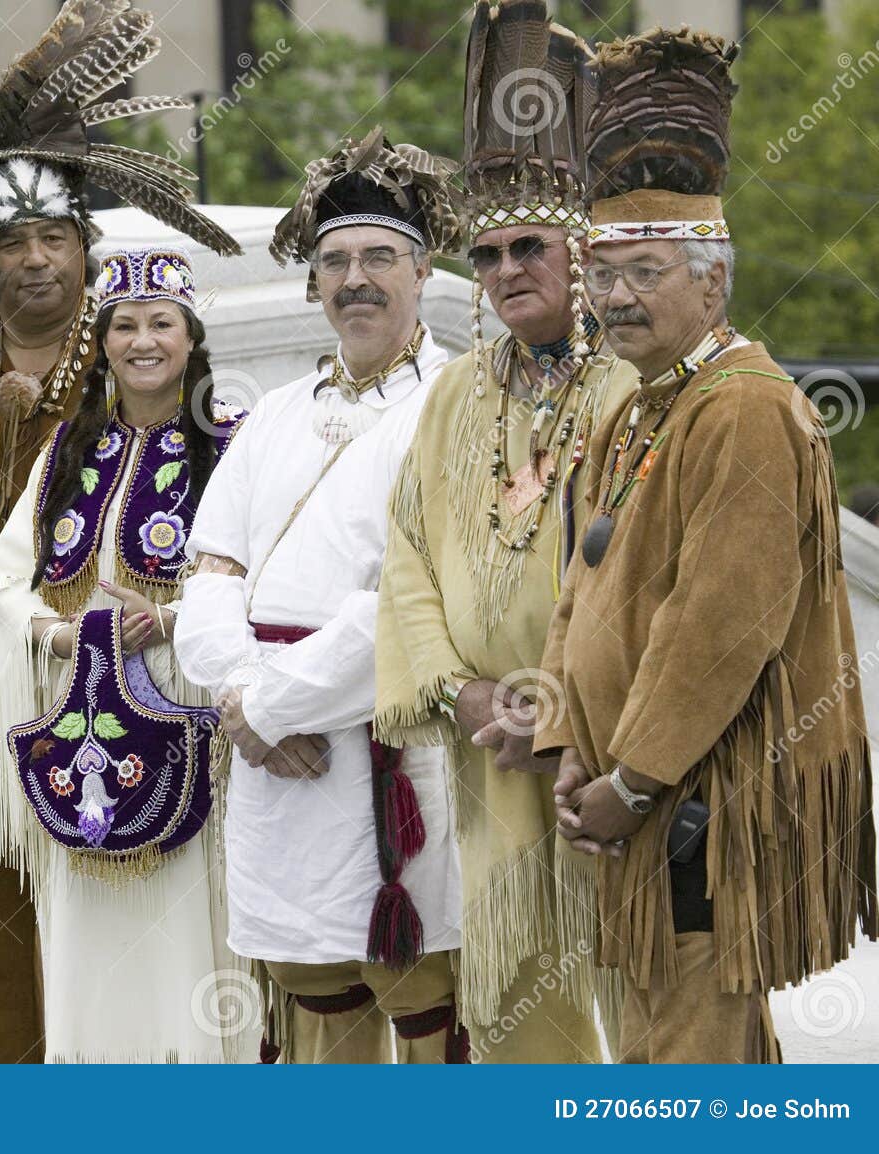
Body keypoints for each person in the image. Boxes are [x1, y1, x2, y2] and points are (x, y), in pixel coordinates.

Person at [0, 0, 239, 1062]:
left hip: (132, 687)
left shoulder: (124, 358)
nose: (33, 259)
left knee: (123, 905)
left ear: (85, 247)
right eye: (11, 239)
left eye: (53, 236)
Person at [535, 27, 877, 1063]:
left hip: (697, 808)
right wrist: (561, 740)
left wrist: (630, 781)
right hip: (632, 800)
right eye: (603, 276)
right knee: (677, 1049)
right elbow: (575, 595)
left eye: (644, 272)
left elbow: (721, 622)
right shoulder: (635, 407)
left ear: (713, 284)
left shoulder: (746, 409)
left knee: (685, 1066)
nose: (615, 297)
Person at [373, 0, 636, 1062]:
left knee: (654, 1013)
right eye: (483, 256)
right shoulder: (451, 396)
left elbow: (660, 585)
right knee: (522, 1006)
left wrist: (572, 715)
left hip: (615, 761)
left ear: (580, 249)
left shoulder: (634, 385)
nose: (504, 270)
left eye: (529, 246)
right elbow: (405, 561)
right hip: (492, 761)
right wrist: (456, 690)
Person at [175, 129, 466, 1064]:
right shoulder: (274, 412)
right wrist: (245, 698)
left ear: (422, 274)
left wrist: (269, 703)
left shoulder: (457, 402)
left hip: (390, 743)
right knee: (307, 990)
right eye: (336, 261)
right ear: (314, 283)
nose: (357, 280)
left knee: (419, 991)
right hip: (273, 761)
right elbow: (209, 571)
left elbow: (409, 596)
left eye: (380, 256)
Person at [0, 248, 252, 1062]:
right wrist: (53, 634)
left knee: (186, 919)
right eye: (123, 325)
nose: (142, 340)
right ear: (100, 342)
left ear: (190, 336)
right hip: (76, 710)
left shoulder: (232, 444)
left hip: (186, 710)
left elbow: (263, 575)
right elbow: (5, 577)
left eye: (160, 323)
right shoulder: (67, 448)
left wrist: (174, 618)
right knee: (86, 926)